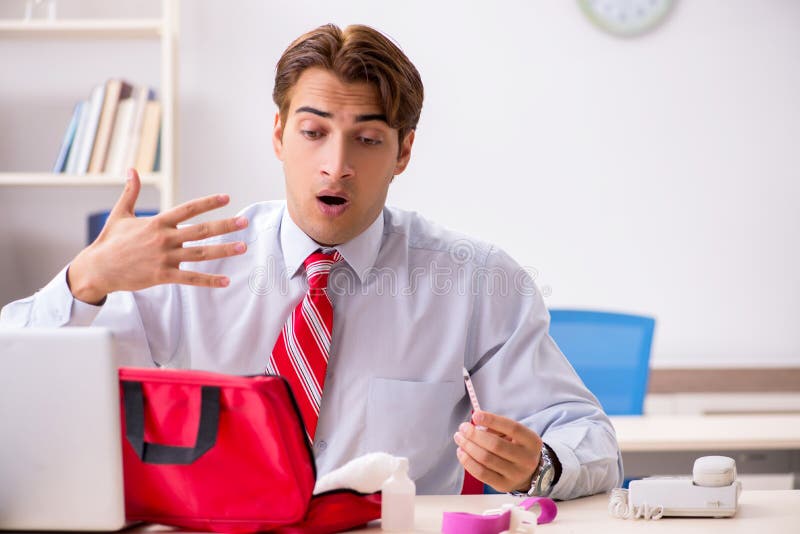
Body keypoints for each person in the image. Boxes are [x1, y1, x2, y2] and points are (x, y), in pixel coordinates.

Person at [1, 23, 622, 498]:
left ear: (403, 152)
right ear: (278, 135)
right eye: (313, 131)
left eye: (368, 138)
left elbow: (590, 438)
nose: (336, 164)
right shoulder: (186, 264)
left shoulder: (472, 279)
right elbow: (18, 381)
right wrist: (85, 281)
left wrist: (540, 464)